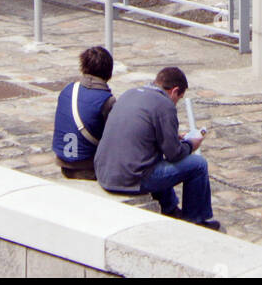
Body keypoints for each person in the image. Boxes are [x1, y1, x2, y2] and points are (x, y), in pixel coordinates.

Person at [93, 65, 219, 229]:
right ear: (174, 92)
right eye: (178, 98)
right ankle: (195, 220)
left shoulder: (129, 93)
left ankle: (170, 208)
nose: (176, 102)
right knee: (198, 165)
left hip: (104, 172)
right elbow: (174, 154)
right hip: (130, 178)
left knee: (154, 156)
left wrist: (172, 138)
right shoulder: (165, 105)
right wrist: (190, 144)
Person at [52, 46, 116, 179]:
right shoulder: (107, 101)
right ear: (109, 72)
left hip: (63, 159)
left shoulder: (68, 90)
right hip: (87, 164)